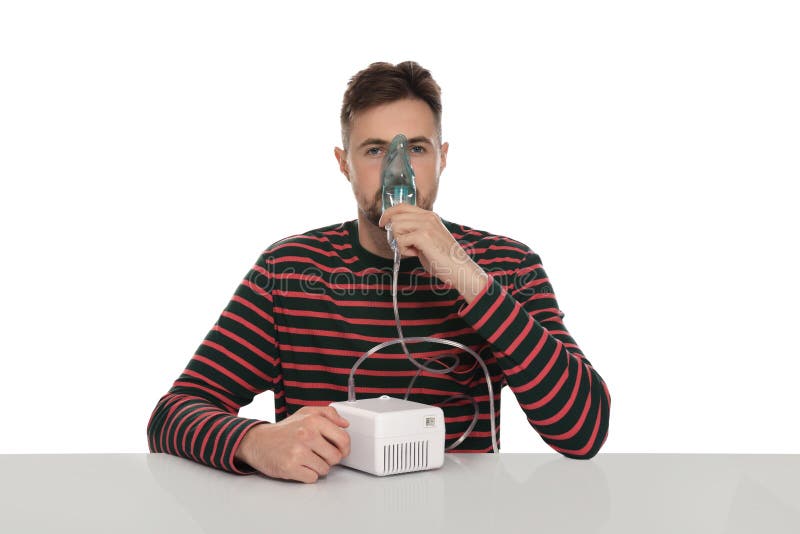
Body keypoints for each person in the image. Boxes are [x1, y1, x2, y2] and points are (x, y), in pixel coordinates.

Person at [147, 61, 611, 484]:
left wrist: (467, 277)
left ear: (443, 157)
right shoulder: (289, 272)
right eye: (374, 151)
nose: (399, 171)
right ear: (343, 162)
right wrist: (253, 442)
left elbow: (584, 432)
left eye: (416, 148)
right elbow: (171, 416)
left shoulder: (508, 266)